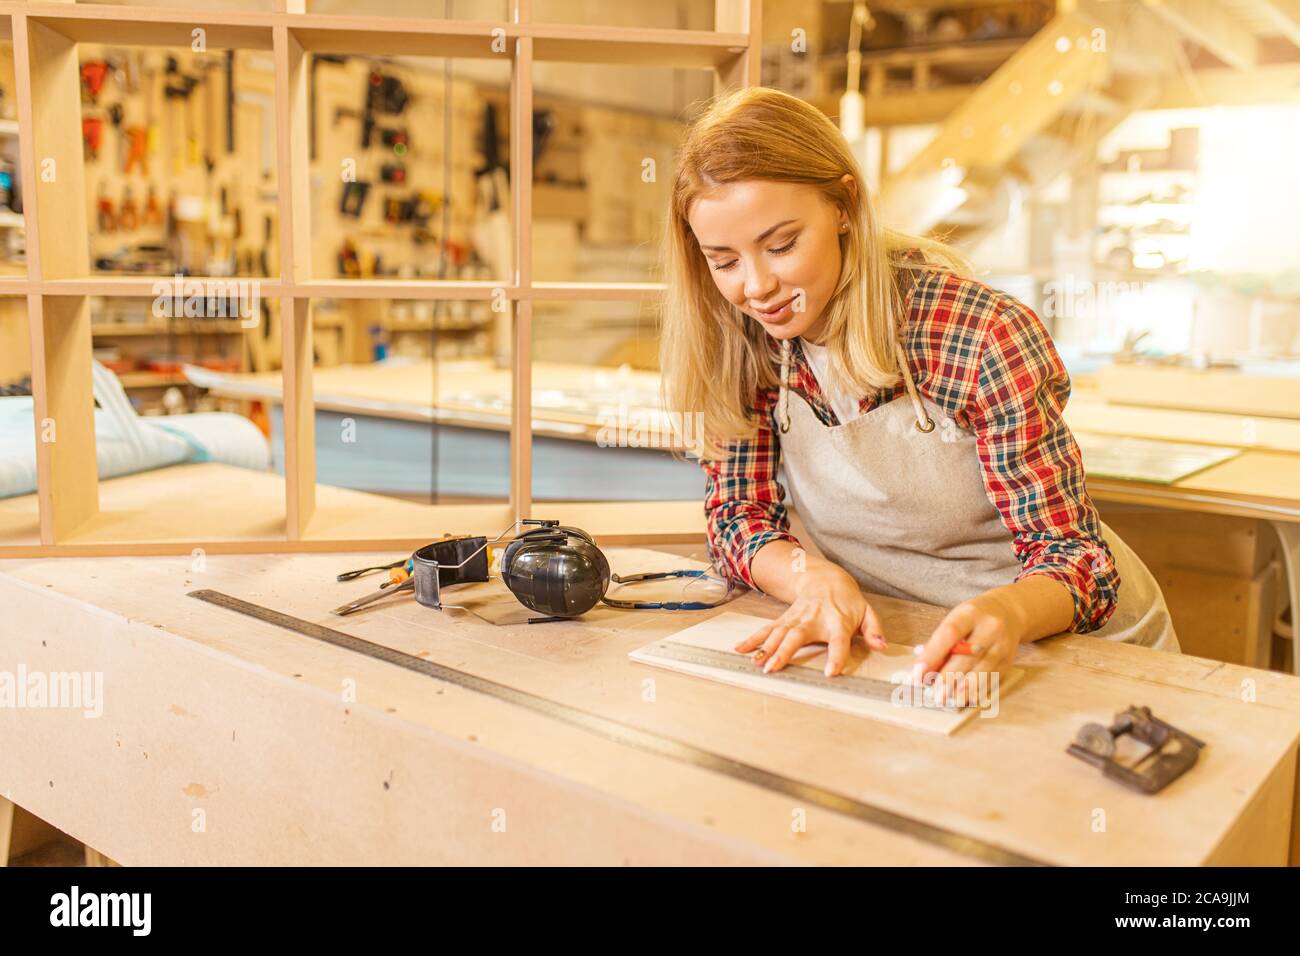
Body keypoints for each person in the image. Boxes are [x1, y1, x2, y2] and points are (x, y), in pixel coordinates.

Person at [658, 87, 1179, 706]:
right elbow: (737, 517)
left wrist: (1008, 613)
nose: (757, 286)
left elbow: (1076, 561)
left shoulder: (979, 333)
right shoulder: (743, 342)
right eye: (724, 262)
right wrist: (811, 579)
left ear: (845, 204)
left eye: (782, 245)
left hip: (1067, 646)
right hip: (906, 638)